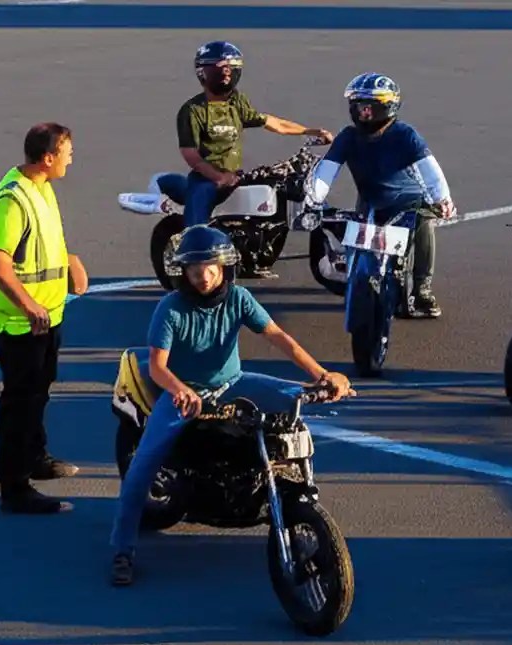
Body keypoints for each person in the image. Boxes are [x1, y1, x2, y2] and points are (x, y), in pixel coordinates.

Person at [108, 225, 353, 586]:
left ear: (225, 268)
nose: (203, 276)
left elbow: (278, 337)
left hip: (233, 383)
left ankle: (293, 492)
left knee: (295, 400)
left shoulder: (239, 298)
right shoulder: (171, 309)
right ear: (184, 272)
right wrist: (182, 393)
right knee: (143, 466)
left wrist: (322, 374)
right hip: (184, 394)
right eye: (194, 269)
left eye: (211, 267)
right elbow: (158, 368)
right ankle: (121, 549)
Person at [0, 122, 89, 515]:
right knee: (19, 401)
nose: (71, 159)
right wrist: (29, 307)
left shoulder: (42, 188)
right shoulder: (13, 200)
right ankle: (14, 486)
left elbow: (46, 243)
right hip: (19, 322)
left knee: (39, 390)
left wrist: (71, 261)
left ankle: (35, 456)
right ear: (48, 158)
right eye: (67, 152)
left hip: (47, 316)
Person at [304, 72, 457, 319]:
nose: (364, 112)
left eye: (370, 106)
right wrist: (314, 199)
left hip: (409, 203)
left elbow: (429, 168)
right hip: (370, 202)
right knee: (347, 233)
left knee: (425, 225)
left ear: (387, 106)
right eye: (359, 106)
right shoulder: (348, 136)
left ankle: (421, 290)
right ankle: (354, 280)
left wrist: (442, 199)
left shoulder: (404, 134)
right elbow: (327, 170)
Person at [176, 40, 334, 255]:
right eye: (219, 68)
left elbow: (271, 122)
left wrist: (309, 131)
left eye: (230, 68)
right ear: (203, 72)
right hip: (206, 179)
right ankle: (189, 254)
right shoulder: (192, 110)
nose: (226, 73)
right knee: (197, 223)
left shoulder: (236, 101)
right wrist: (217, 177)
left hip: (234, 175)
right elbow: (190, 154)